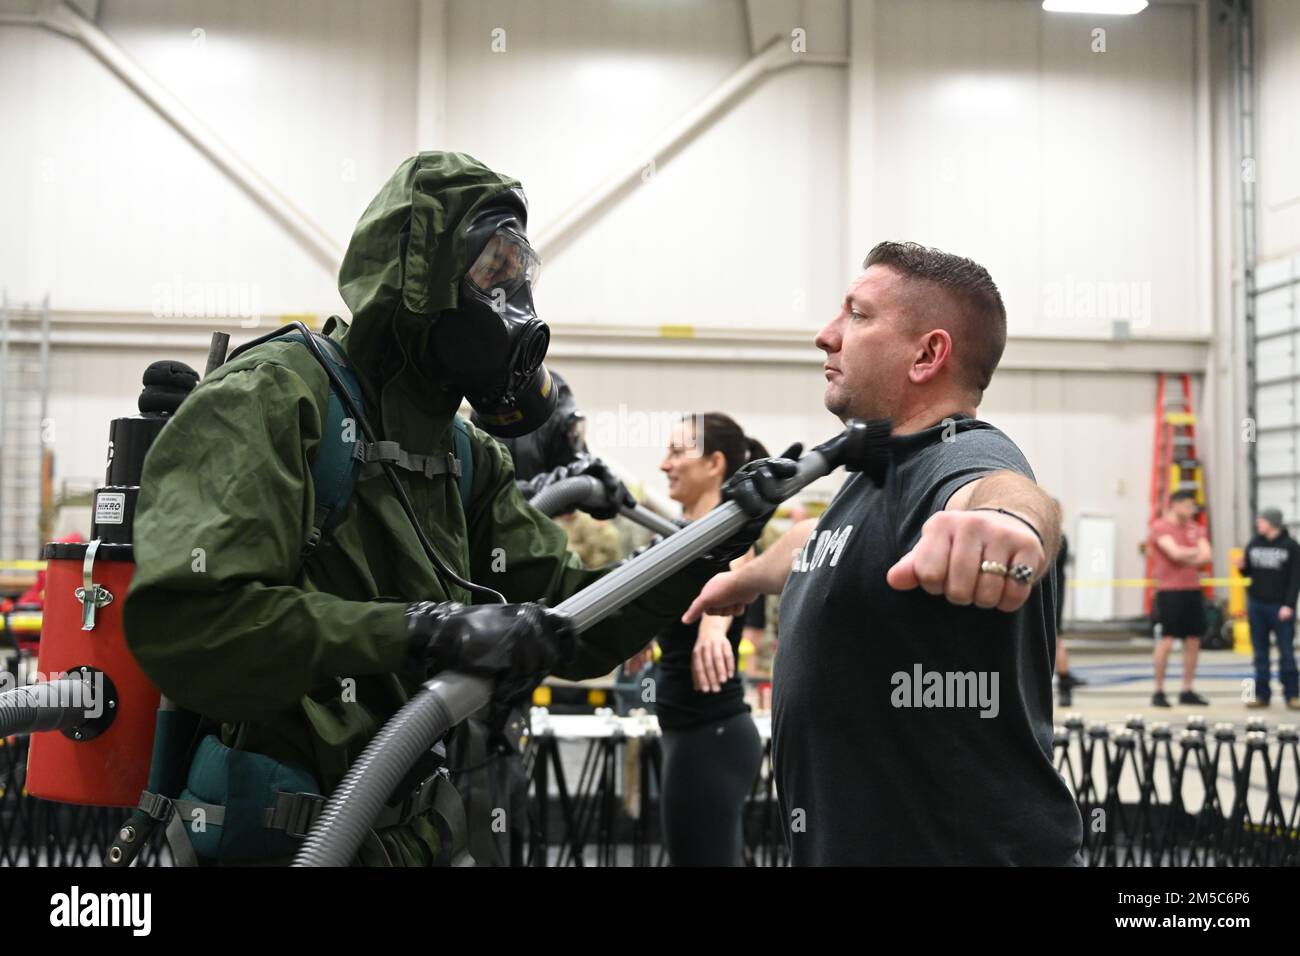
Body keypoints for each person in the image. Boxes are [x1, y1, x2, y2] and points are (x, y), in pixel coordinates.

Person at [122, 152, 769, 866]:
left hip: (417, 836)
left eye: (520, 279)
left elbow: (573, 621)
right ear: (418, 274)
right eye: (493, 273)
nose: (513, 306)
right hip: (287, 835)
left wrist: (707, 546)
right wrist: (423, 631)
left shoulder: (465, 456)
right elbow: (196, 625)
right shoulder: (273, 401)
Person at [682, 241, 1083, 865]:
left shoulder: (957, 456)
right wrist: (745, 577)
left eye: (858, 316)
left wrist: (1010, 525)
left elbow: (1006, 491)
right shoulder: (877, 477)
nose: (826, 335)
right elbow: (815, 543)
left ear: (927, 354)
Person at [628, 413, 769, 866]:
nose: (665, 464)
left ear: (714, 464)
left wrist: (714, 623)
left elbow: (733, 564)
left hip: (710, 734)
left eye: (677, 452)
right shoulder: (676, 537)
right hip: (689, 733)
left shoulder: (726, 532)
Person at [1148, 489, 1211, 707]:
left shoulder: (1195, 527)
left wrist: (1187, 553)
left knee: (1193, 639)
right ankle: (1159, 690)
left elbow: (1207, 555)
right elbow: (1174, 553)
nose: (1191, 510)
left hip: (1192, 589)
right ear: (1175, 504)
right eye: (1188, 505)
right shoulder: (1160, 527)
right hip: (1170, 591)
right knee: (1167, 639)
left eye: (1193, 506)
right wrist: (1193, 552)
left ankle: (1187, 689)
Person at [1235, 507, 1300, 710]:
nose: (1258, 524)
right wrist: (1241, 567)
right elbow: (1249, 572)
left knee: (1287, 653)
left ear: (1272, 523)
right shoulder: (1254, 543)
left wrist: (1289, 605)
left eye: (1262, 521)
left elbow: (1295, 578)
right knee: (1260, 653)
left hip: (1280, 607)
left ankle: (1292, 694)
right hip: (1257, 605)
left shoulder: (1290, 546)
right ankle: (1262, 694)